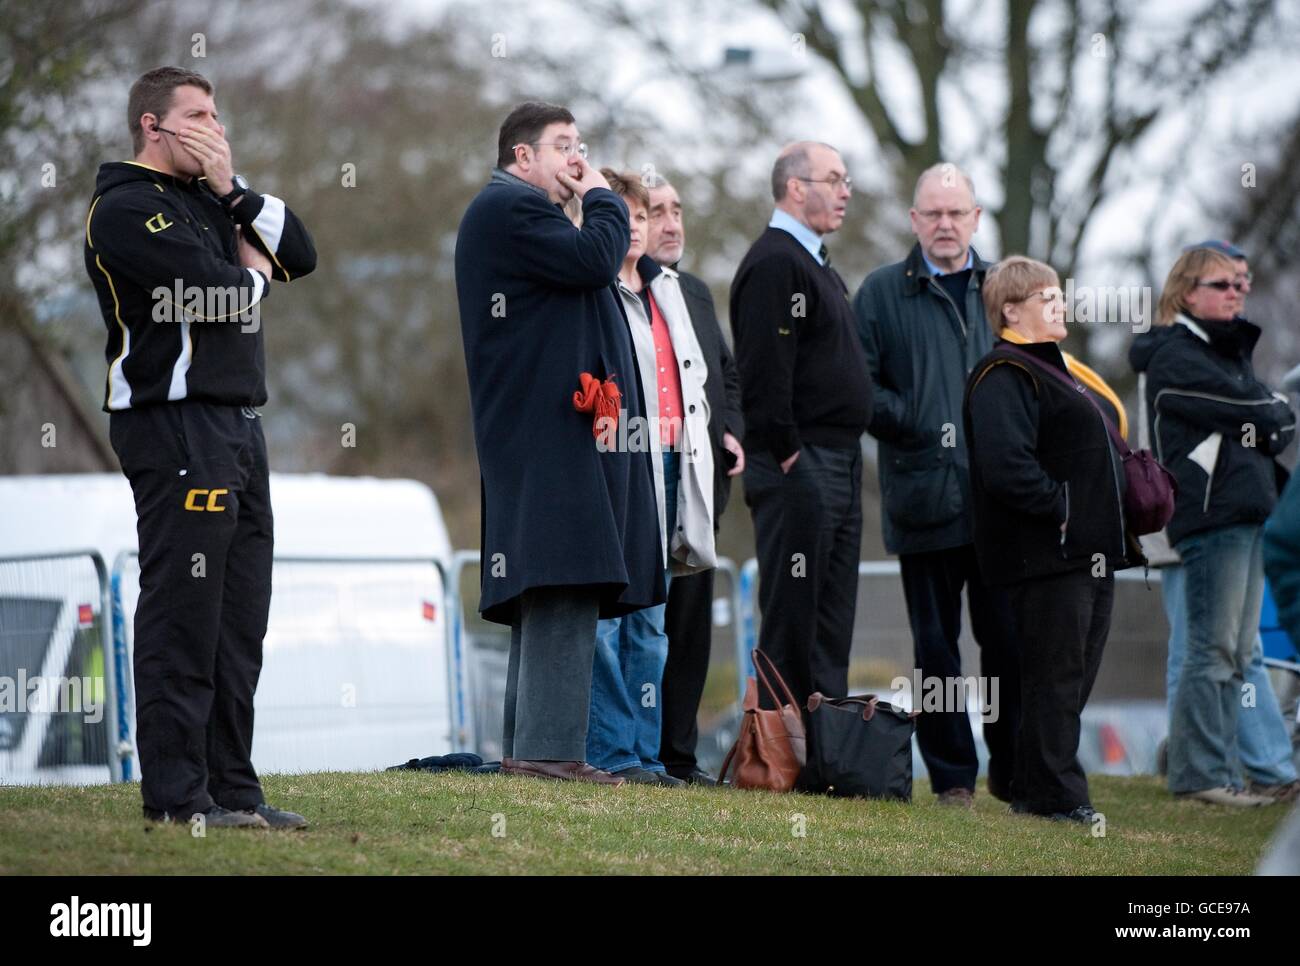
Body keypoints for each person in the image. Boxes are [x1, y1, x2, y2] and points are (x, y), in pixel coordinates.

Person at [84, 66, 317, 828]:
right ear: (154, 126)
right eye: (198, 116)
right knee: (184, 611)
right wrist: (251, 278)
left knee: (238, 617)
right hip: (174, 423)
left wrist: (235, 191)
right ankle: (177, 798)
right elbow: (214, 294)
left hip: (240, 425)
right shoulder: (124, 208)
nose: (215, 129)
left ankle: (233, 792)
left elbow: (300, 254)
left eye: (219, 116)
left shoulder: (211, 200)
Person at [455, 102, 664, 786]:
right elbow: (597, 257)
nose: (578, 159)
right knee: (560, 577)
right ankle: (549, 756)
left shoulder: (520, 213)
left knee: (559, 584)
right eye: (564, 146)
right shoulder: (509, 209)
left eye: (582, 146)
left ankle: (537, 752)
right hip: (541, 433)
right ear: (523, 158)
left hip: (545, 430)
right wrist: (603, 194)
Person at [853, 163, 1020, 807]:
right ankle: (953, 777)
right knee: (935, 650)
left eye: (958, 213)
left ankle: (1011, 772)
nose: (946, 225)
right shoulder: (880, 293)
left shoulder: (1006, 287)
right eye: (933, 214)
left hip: (1002, 503)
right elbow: (858, 387)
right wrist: (921, 421)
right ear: (915, 220)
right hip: (923, 498)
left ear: (976, 218)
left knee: (1007, 641)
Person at [964, 256, 1133, 823]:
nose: (1061, 305)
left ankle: (1036, 788)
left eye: (1060, 295)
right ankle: (1056, 797)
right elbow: (1005, 465)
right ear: (1011, 310)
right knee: (1055, 676)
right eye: (1046, 298)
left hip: (1089, 552)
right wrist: (1062, 509)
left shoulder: (1061, 370)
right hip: (1048, 556)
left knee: (1073, 674)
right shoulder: (1004, 374)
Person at [1132, 240, 1299, 803]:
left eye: (1240, 285)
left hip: (1247, 514)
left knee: (1236, 650)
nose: (1237, 293)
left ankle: (1228, 774)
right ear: (1186, 293)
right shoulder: (1176, 355)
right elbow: (1259, 412)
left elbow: (1276, 420)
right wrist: (1267, 410)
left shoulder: (1224, 352)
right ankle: (1201, 776)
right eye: (1222, 285)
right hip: (1209, 519)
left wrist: (1268, 411)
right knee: (1210, 650)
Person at [583, 170, 716, 786]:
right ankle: (610, 753)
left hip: (671, 466)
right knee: (609, 618)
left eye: (644, 217)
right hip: (617, 469)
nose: (638, 226)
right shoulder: (595, 289)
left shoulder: (670, 290)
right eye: (629, 215)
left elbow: (698, 383)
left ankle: (646, 753)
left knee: (652, 624)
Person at [730, 141, 872, 709]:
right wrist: (791, 455)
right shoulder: (775, 263)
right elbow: (763, 374)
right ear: (796, 187)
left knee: (831, 618)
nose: (845, 191)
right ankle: (777, 753)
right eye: (834, 179)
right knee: (793, 613)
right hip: (800, 463)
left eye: (846, 180)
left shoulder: (815, 263)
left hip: (837, 460)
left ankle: (823, 754)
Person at [645, 175, 746, 785]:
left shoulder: (698, 292)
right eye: (656, 212)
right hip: (645, 486)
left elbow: (726, 374)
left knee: (689, 629)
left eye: (677, 210)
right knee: (642, 630)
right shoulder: (620, 290)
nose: (672, 223)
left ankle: (680, 758)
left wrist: (731, 429)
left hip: (699, 493)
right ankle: (637, 755)